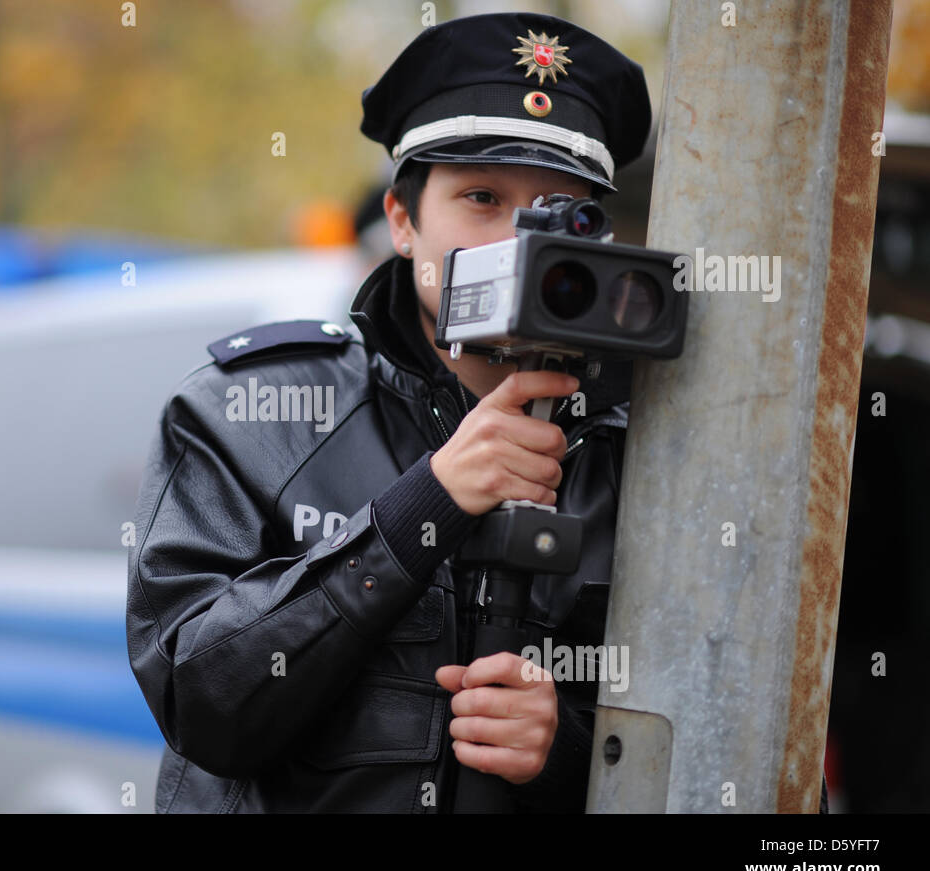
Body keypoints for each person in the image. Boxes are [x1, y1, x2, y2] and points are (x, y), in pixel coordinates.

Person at [126, 11, 647, 813]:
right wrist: (425, 504)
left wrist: (566, 754)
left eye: (560, 211)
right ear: (403, 221)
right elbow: (201, 700)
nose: (520, 240)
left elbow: (722, 748)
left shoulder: (647, 450)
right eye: (482, 198)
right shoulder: (256, 407)